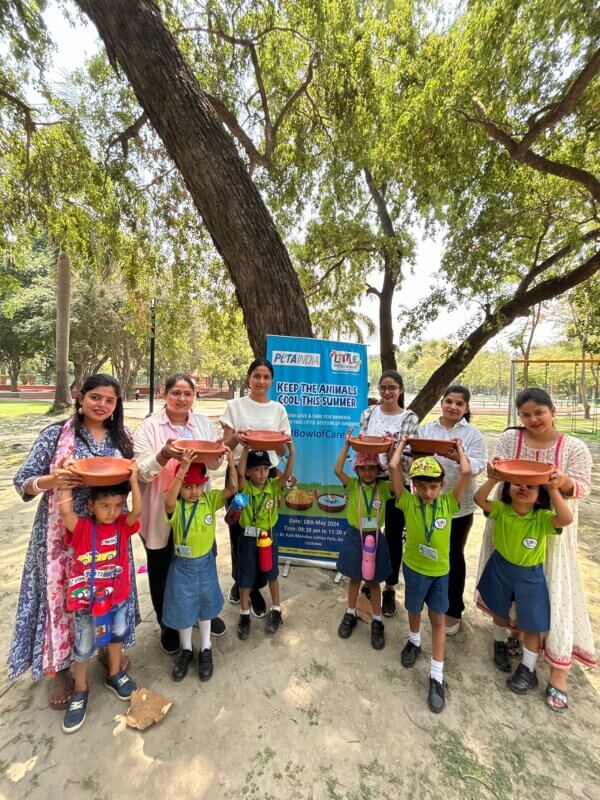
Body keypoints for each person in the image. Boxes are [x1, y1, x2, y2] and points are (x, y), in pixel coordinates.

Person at [9, 374, 138, 710]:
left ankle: (106, 655)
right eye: (96, 397)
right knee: (64, 598)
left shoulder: (122, 437)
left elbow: (135, 472)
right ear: (80, 397)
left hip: (108, 530)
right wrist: (52, 480)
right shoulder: (56, 434)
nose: (102, 405)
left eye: (109, 400)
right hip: (61, 533)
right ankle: (61, 668)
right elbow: (22, 481)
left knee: (107, 591)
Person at [474, 387, 595, 713]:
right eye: (525, 415)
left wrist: (559, 482)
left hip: (550, 532)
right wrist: (493, 472)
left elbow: (582, 486)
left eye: (538, 412)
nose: (532, 419)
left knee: (549, 594)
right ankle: (508, 639)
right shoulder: (509, 440)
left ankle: (557, 673)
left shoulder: (573, 447)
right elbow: (496, 476)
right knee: (503, 586)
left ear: (552, 410)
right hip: (508, 522)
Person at [133, 374, 226, 656]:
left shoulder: (203, 424)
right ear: (164, 393)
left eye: (187, 393)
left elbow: (215, 461)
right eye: (176, 392)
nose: (182, 399)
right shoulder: (148, 428)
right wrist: (164, 454)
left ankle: (203, 614)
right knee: (162, 570)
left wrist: (220, 449)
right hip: (161, 513)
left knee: (203, 566)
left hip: (198, 513)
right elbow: (142, 472)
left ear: (194, 396)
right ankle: (168, 625)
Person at [474, 468, 572, 698]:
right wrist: (494, 478)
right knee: (499, 609)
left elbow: (566, 518)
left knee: (532, 624)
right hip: (500, 567)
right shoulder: (502, 510)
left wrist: (554, 489)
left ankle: (528, 669)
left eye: (532, 486)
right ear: (508, 489)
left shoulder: (542, 518)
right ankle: (499, 644)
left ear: (541, 494)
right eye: (517, 483)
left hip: (530, 575)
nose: (524, 488)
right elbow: (479, 499)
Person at [58, 468, 142, 733]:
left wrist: (133, 480)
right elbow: (65, 513)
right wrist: (66, 484)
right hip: (86, 604)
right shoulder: (82, 528)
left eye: (118, 506)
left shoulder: (122, 525)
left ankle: (114, 673)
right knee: (83, 647)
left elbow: (137, 511)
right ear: (91, 506)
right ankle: (80, 689)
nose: (112, 511)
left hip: (117, 599)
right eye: (104, 506)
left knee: (117, 637)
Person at [389, 439, 471, 713]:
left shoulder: (448, 503)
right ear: (414, 485)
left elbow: (467, 473)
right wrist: (402, 444)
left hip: (440, 573)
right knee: (413, 609)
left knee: (437, 618)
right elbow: (392, 466)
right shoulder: (407, 502)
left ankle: (436, 674)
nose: (427, 492)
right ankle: (414, 642)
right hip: (413, 569)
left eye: (433, 486)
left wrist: (457, 449)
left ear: (442, 485)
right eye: (421, 486)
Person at [220, 358, 291, 617]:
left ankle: (258, 586)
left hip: (266, 474)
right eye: (257, 376)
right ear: (248, 378)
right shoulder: (234, 406)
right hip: (238, 475)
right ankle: (241, 582)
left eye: (266, 377)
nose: (261, 381)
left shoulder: (278, 410)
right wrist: (239, 437)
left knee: (263, 532)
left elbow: (282, 449)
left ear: (271, 381)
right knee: (239, 532)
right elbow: (225, 445)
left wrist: (277, 443)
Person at [163, 447, 238, 682]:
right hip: (182, 566)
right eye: (188, 486)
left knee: (205, 606)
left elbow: (233, 489)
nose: (193, 491)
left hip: (206, 564)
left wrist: (230, 463)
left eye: (197, 485)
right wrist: (182, 469)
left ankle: (205, 647)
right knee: (183, 608)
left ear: (204, 485)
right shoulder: (175, 506)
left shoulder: (209, 499)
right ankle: (186, 649)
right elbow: (167, 500)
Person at [417, 385, 486, 634]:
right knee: (429, 553)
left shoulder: (473, 434)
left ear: (466, 408)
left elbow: (479, 465)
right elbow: (416, 457)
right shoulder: (426, 429)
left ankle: (453, 611)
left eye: (459, 404)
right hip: (428, 503)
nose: (453, 407)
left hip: (459, 506)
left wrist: (460, 456)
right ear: (442, 403)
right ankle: (431, 602)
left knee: (454, 556)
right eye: (449, 401)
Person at [359, 370, 418, 617]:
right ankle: (368, 580)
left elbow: (409, 456)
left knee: (394, 535)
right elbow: (362, 446)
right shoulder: (368, 413)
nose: (387, 392)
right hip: (369, 481)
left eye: (392, 387)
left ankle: (390, 587)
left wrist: (394, 448)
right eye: (383, 387)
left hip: (396, 485)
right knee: (369, 532)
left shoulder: (409, 418)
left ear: (400, 390)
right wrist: (372, 449)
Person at [334, 431, 394, 650]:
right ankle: (350, 613)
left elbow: (398, 480)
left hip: (376, 538)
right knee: (354, 578)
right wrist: (347, 445)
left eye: (372, 468)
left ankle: (377, 621)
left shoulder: (384, 489)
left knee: (374, 582)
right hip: (354, 537)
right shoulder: (352, 485)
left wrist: (391, 450)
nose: (367, 472)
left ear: (379, 470)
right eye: (363, 468)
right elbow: (337, 470)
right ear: (357, 469)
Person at [236, 441, 295, 639]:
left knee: (271, 573)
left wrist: (292, 453)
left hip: (268, 536)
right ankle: (245, 614)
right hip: (248, 538)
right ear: (249, 472)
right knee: (246, 577)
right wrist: (245, 449)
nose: (262, 473)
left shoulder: (273, 486)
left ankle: (277, 609)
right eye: (257, 469)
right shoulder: (245, 489)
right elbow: (239, 472)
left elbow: (286, 475)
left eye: (265, 469)